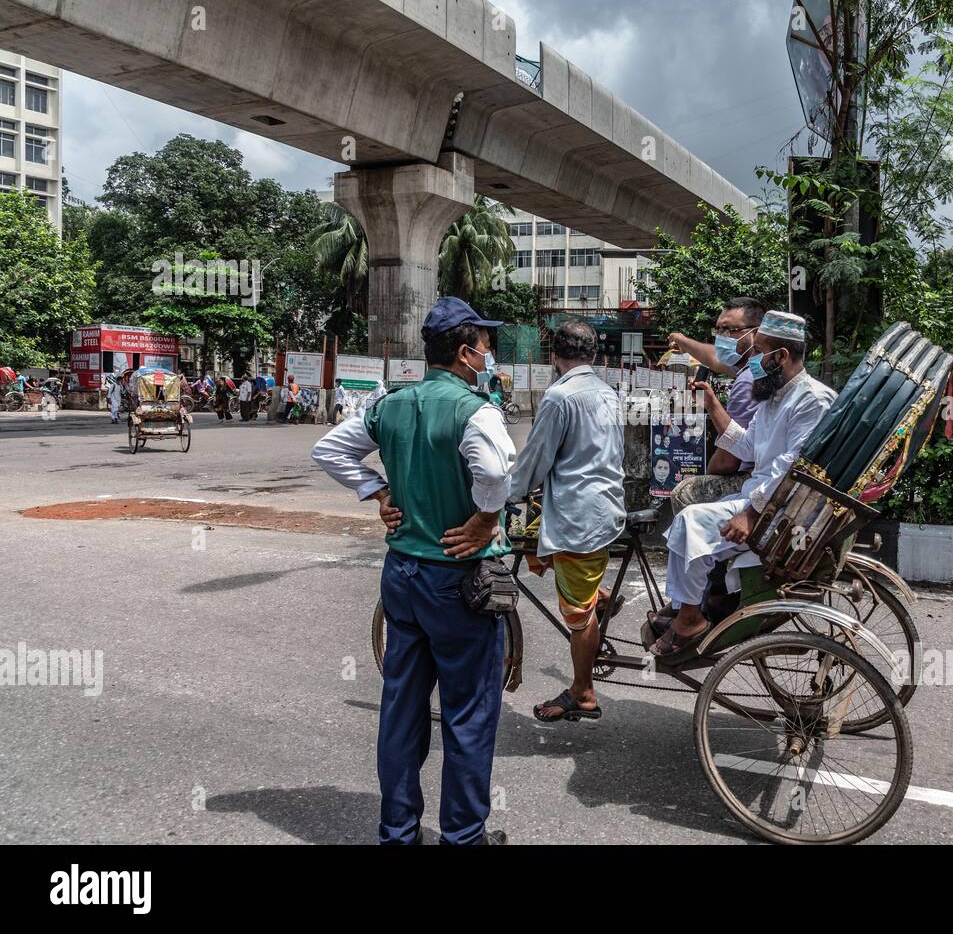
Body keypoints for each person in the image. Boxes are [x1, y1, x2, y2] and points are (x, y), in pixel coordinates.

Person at [312, 297, 516, 846]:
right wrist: (486, 519)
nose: (489, 353)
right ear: (464, 351)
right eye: (485, 345)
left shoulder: (393, 404)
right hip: (458, 577)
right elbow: (496, 471)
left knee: (401, 708)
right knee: (468, 713)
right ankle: (463, 837)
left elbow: (329, 449)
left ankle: (398, 833)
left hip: (402, 575)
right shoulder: (477, 410)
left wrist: (375, 489)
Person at [648, 311, 836, 658]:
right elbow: (749, 446)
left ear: (780, 356)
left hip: (780, 509)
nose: (751, 363)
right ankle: (687, 606)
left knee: (691, 522)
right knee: (690, 516)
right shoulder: (774, 396)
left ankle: (689, 618)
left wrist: (751, 513)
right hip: (762, 496)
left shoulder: (812, 399)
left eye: (758, 353)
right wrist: (714, 405)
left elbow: (792, 467)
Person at [491, 320, 626, 723]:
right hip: (605, 510)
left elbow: (534, 463)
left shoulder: (559, 397)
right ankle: (601, 598)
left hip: (577, 520)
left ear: (554, 357)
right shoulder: (609, 392)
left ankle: (583, 692)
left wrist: (498, 496)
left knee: (577, 615)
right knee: (545, 553)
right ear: (595, 356)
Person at [666, 297, 765, 511]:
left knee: (685, 493)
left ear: (755, 334)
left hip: (753, 476)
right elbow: (714, 358)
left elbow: (728, 461)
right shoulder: (760, 369)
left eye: (730, 331)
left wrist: (706, 475)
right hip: (767, 472)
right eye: (718, 330)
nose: (722, 338)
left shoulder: (748, 382)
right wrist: (683, 341)